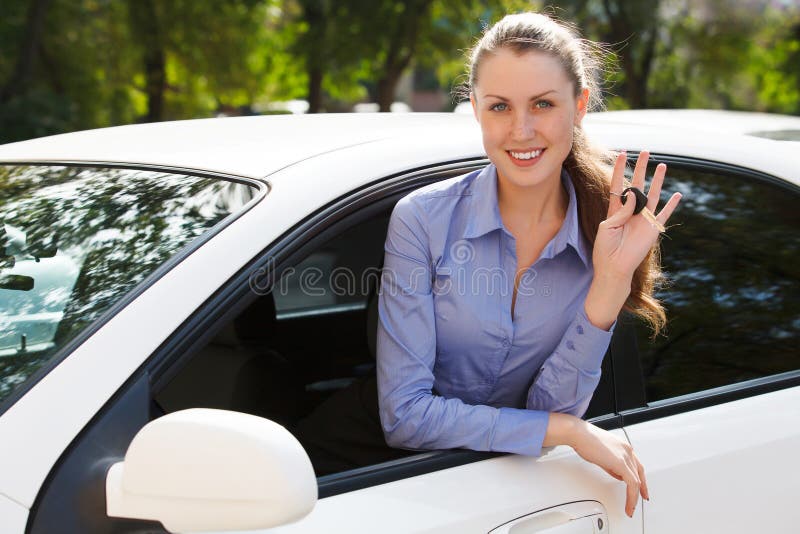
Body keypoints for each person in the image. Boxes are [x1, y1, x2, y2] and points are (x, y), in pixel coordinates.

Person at [376, 12, 682, 518]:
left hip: (515, 497)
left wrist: (609, 284)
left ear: (579, 106)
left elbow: (544, 414)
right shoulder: (423, 221)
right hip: (384, 478)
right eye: (500, 106)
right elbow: (404, 416)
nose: (521, 130)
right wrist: (569, 431)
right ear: (476, 110)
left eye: (543, 104)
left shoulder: (604, 238)